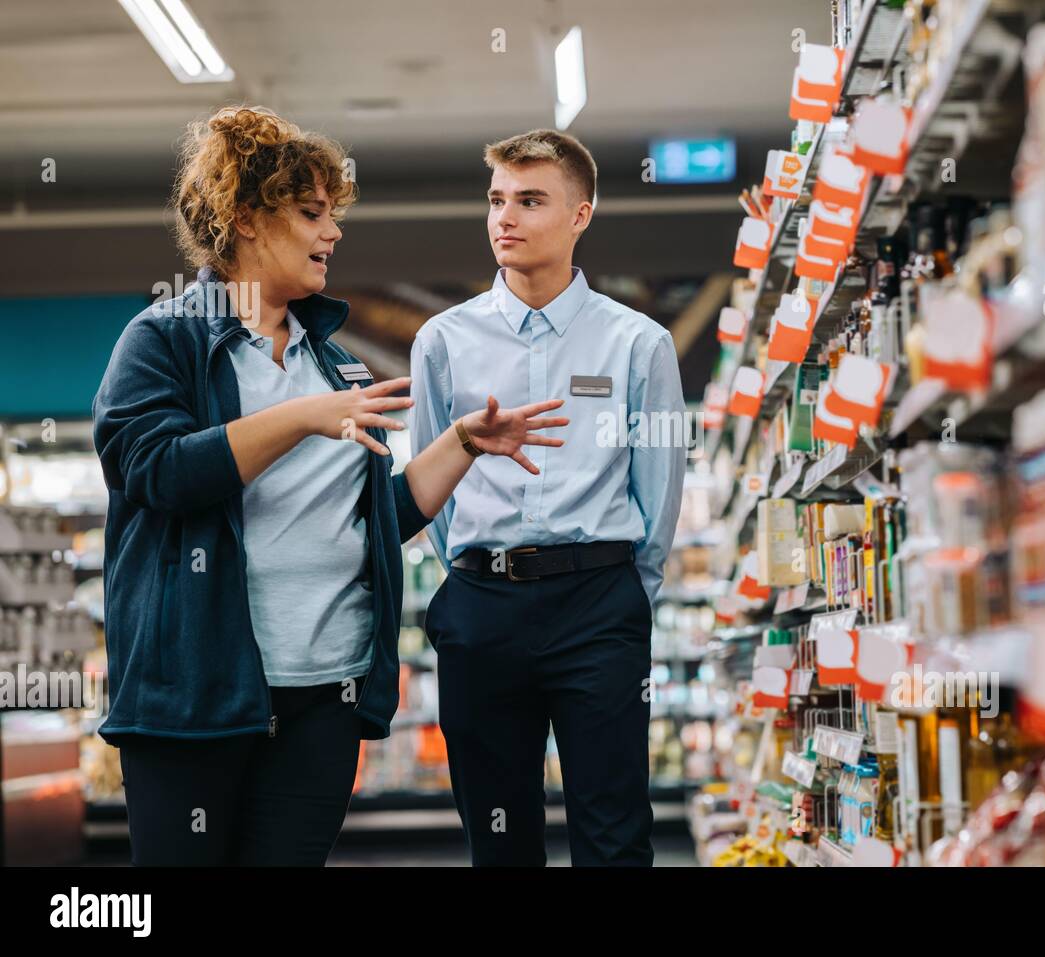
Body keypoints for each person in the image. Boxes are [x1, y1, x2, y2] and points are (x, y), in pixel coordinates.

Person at [91, 106, 567, 866]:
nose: (333, 233)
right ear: (246, 219)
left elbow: (376, 519)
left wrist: (464, 444)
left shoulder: (334, 364)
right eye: (312, 214)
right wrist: (302, 418)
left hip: (324, 697)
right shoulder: (165, 341)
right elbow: (156, 471)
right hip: (198, 697)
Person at [410, 129, 687, 867]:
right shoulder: (442, 341)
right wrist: (477, 572)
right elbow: (428, 484)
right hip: (481, 605)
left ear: (580, 215)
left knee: (614, 834)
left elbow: (658, 494)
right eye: (497, 199)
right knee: (499, 842)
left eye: (531, 200)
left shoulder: (638, 344)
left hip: (598, 604)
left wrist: (628, 596)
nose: (506, 217)